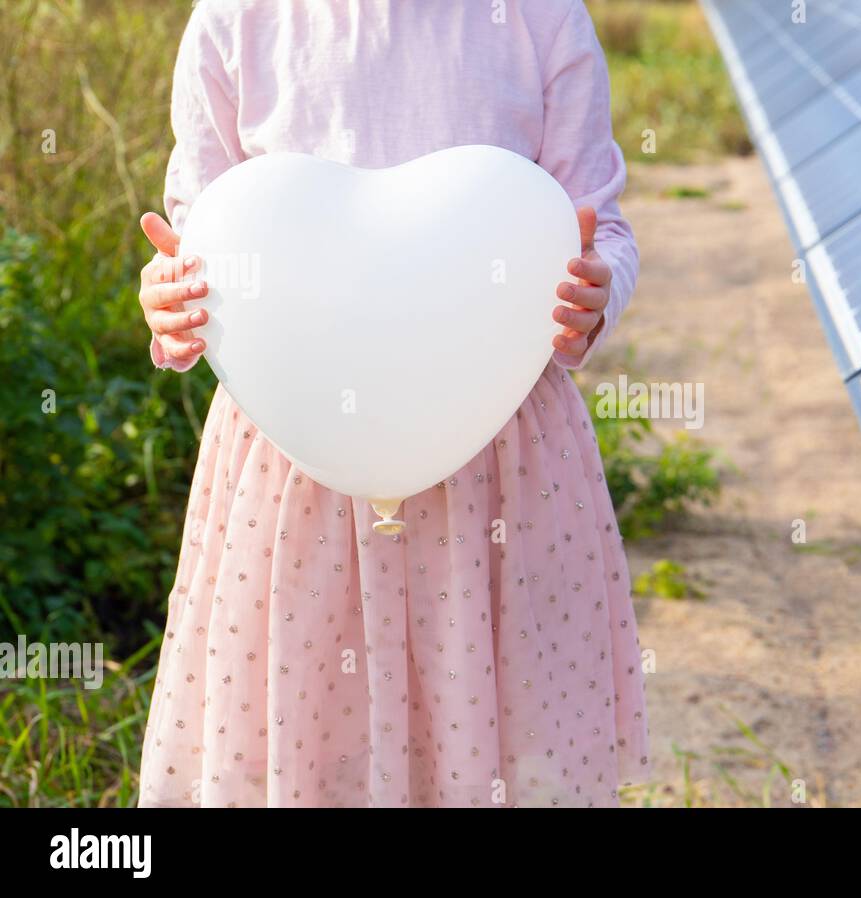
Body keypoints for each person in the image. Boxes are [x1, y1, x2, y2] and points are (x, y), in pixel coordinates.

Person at [135, 0, 647, 808]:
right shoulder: (237, 22)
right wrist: (168, 304)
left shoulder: (540, 19)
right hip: (297, 463)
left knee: (502, 737)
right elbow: (195, 241)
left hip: (500, 459)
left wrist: (597, 290)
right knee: (309, 740)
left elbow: (602, 228)